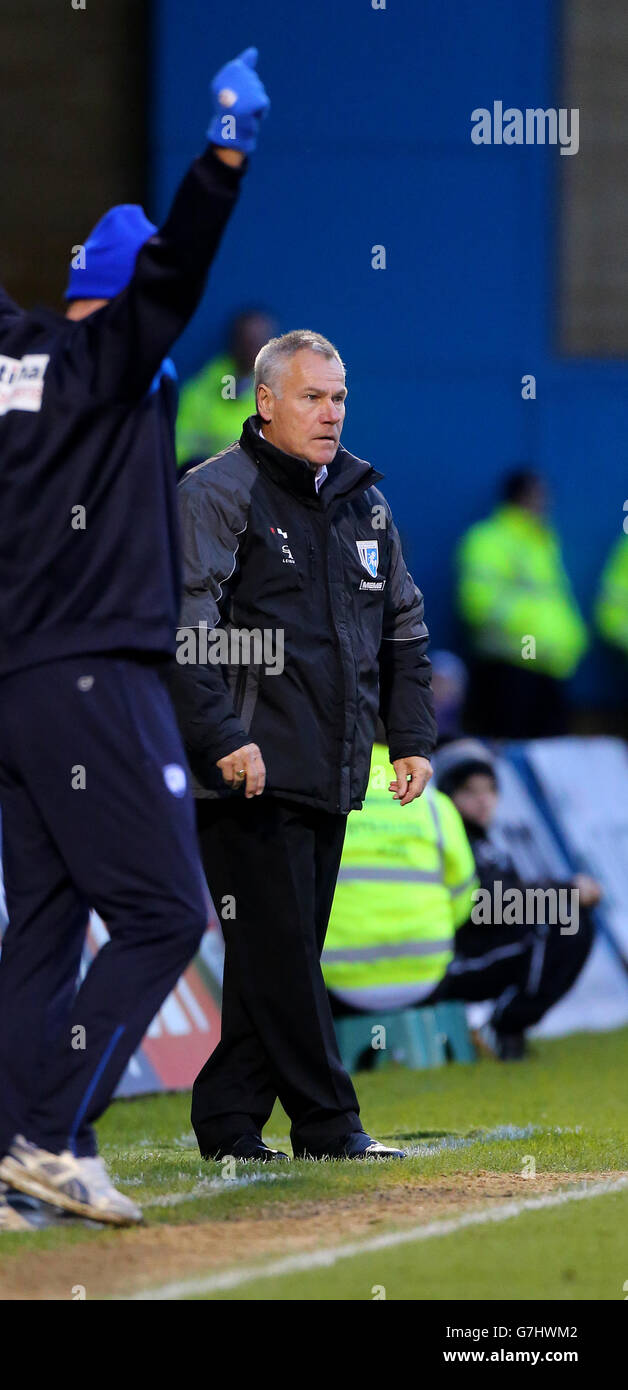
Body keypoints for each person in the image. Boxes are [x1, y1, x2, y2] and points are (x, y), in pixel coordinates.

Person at [0, 46, 269, 1229]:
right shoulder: (111, 359)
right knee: (161, 914)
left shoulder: (0, 352)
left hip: (20, 691)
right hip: (101, 679)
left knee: (42, 938)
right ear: (129, 291)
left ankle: (22, 1173)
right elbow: (185, 263)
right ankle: (51, 1137)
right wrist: (225, 152)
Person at [171, 329, 436, 1162]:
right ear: (266, 402)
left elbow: (405, 628)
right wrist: (222, 739)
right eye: (315, 397)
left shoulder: (366, 502)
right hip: (245, 774)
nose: (332, 413)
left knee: (271, 961)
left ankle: (228, 1118)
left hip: (332, 768)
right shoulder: (216, 494)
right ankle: (330, 1124)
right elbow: (184, 631)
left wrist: (414, 737)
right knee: (285, 962)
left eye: (341, 396)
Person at [431, 740, 598, 1059]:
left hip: (473, 953)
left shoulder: (488, 846)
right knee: (562, 922)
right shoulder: (450, 840)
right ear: (447, 795)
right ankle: (505, 1025)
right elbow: (488, 907)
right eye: (470, 791)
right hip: (450, 962)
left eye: (490, 790)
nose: (483, 801)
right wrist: (566, 891)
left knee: (570, 918)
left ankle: (506, 1026)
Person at [323, 740, 476, 1016]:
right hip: (424, 973)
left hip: (337, 979)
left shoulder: (319, 799)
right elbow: (465, 895)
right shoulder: (434, 804)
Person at [456, 469, 588, 738]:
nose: (545, 503)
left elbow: (553, 601)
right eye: (538, 496)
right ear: (520, 497)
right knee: (509, 750)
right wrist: (530, 633)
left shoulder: (543, 542)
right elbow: (478, 602)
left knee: (547, 756)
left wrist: (568, 642)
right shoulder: (489, 538)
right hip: (509, 666)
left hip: (549, 667)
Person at [176, 308, 275, 468]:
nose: (254, 348)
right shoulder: (199, 392)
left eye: (260, 340)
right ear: (234, 342)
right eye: (248, 340)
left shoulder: (283, 395)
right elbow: (179, 448)